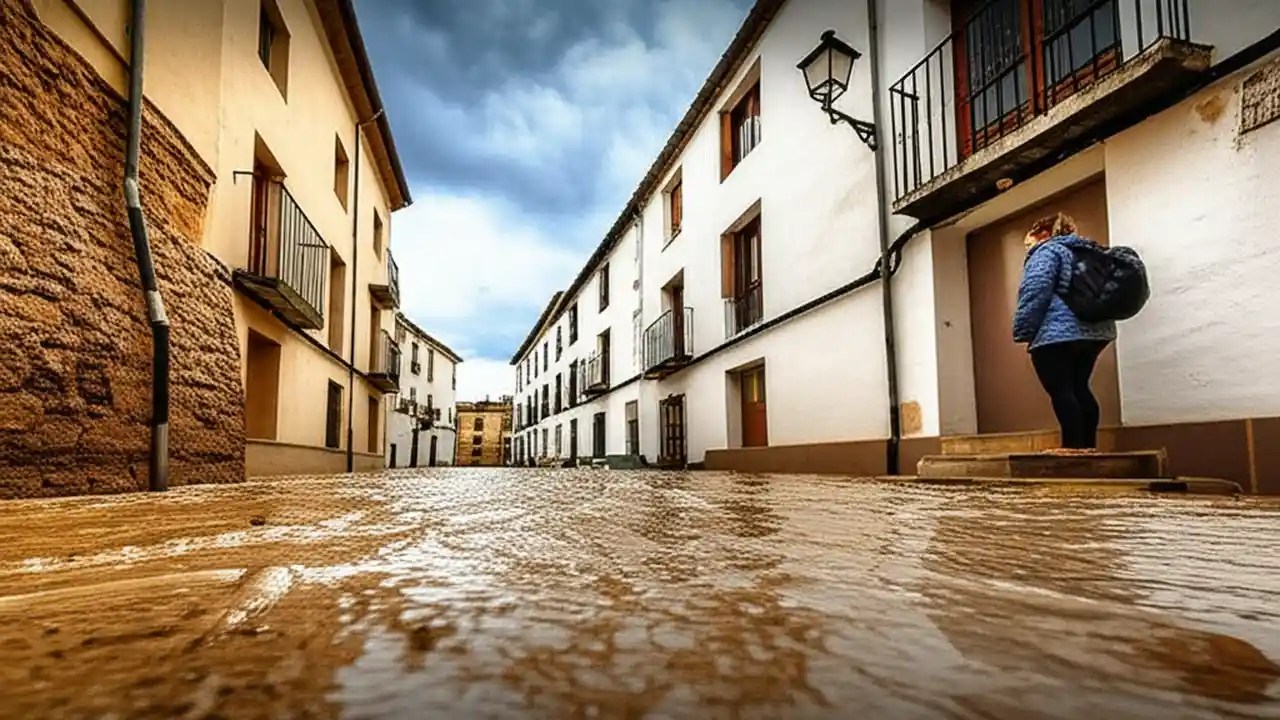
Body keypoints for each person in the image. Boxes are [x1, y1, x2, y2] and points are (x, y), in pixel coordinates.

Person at [1012, 213, 1116, 453]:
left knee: (1061, 389)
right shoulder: (1090, 252)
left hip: (1056, 333)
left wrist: (1024, 330)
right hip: (1095, 333)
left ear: (1044, 233)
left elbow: (1035, 291)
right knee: (1080, 386)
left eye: (1031, 239)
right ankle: (1088, 447)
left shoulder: (1048, 251)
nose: (1029, 244)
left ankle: (1073, 448)